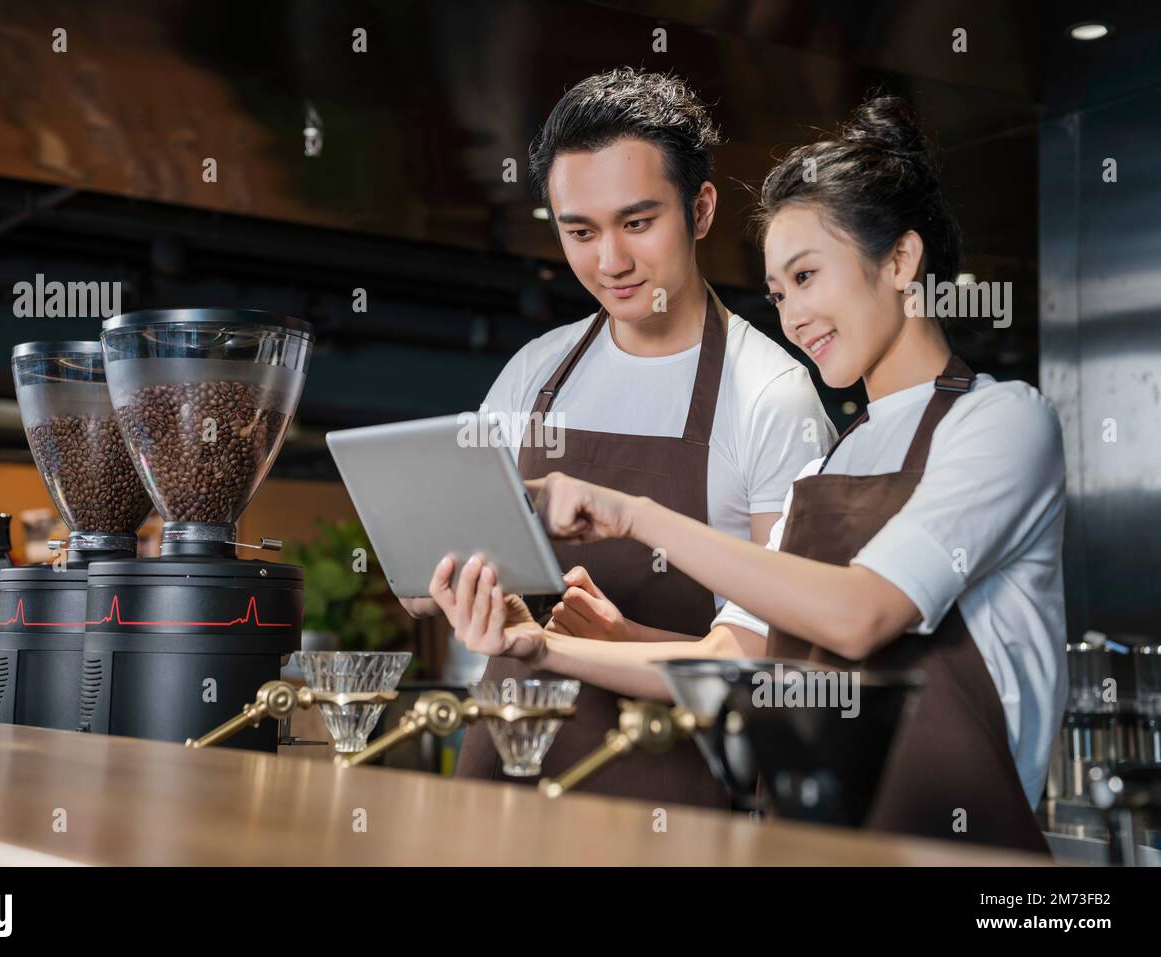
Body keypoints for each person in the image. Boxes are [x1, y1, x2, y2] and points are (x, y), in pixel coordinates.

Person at [430, 95, 1066, 853]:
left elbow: (859, 616)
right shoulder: (834, 460)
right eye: (778, 291)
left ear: (900, 260)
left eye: (806, 275)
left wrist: (632, 513)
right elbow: (760, 678)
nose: (793, 315)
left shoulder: (1002, 421)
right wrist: (552, 645)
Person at [405, 67, 834, 807]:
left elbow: (765, 657)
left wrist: (595, 638)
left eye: (637, 223)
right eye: (580, 231)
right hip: (501, 783)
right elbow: (414, 582)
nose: (610, 261)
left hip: (672, 791)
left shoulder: (772, 395)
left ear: (700, 210)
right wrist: (454, 589)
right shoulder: (535, 374)